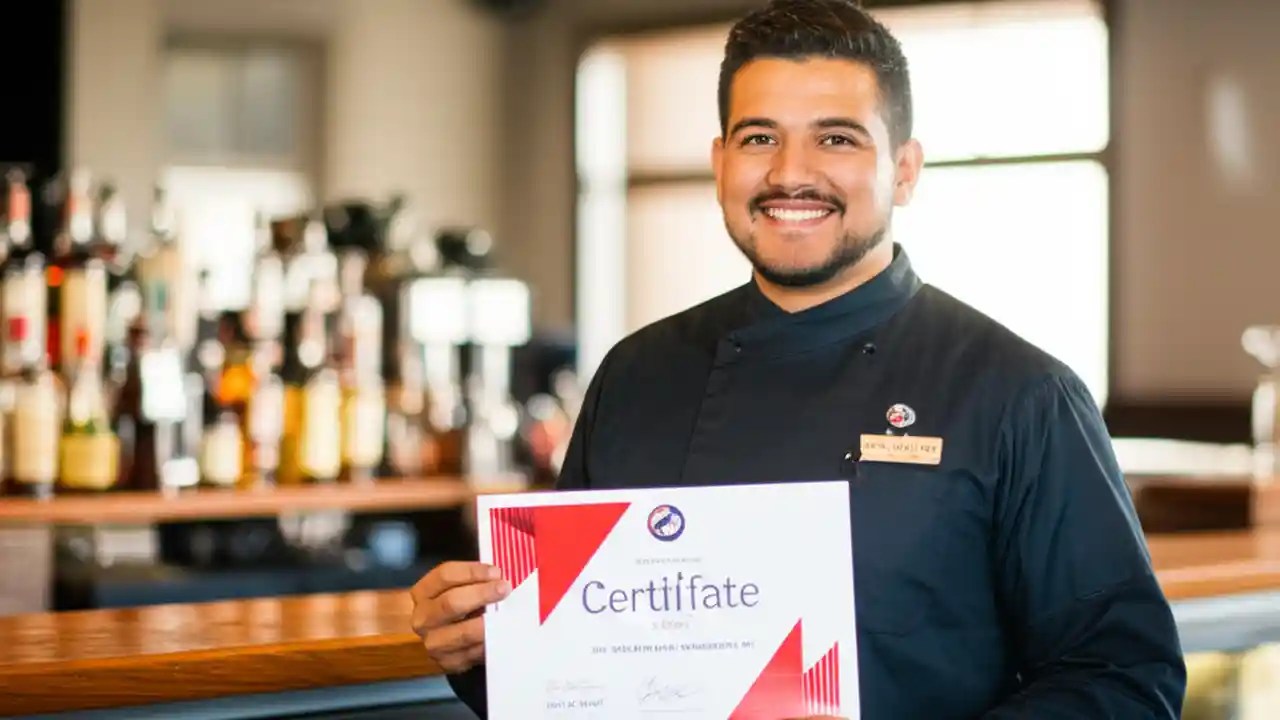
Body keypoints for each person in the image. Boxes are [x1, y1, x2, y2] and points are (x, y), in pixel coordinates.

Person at [410, 0, 1187, 717]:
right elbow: (584, 676)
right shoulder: (636, 374)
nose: (789, 173)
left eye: (837, 138)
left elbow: (1123, 679)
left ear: (905, 170)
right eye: (759, 138)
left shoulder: (1020, 393)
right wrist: (483, 649)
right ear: (721, 163)